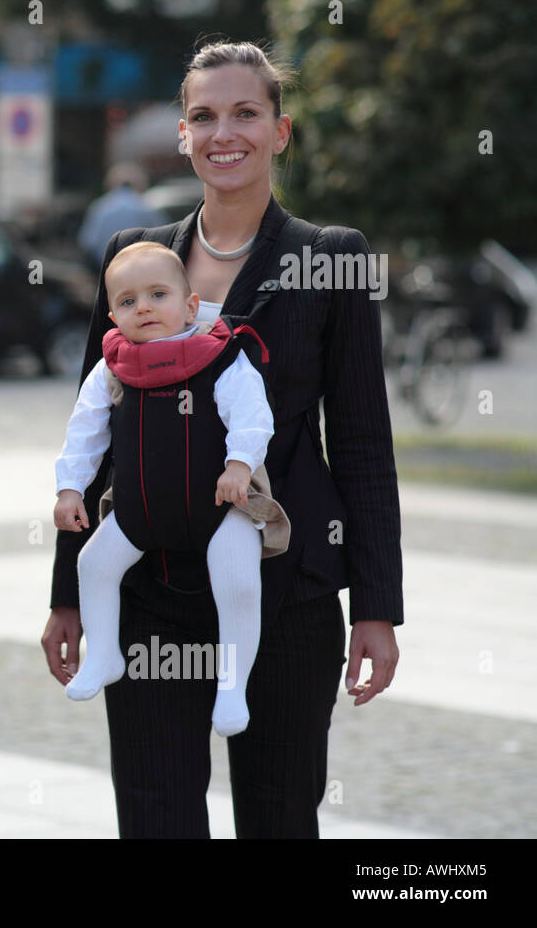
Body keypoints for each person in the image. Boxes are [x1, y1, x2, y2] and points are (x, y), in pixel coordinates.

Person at [43, 41, 403, 838]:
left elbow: (363, 445)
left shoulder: (329, 259)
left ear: (280, 131)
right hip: (146, 597)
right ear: (182, 133)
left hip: (285, 594)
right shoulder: (133, 259)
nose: (223, 133)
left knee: (278, 819)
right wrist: (70, 590)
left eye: (246, 113)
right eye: (204, 116)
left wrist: (378, 605)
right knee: (156, 819)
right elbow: (92, 428)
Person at [53, 241, 287, 737]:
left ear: (190, 306)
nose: (144, 307)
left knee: (239, 581)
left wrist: (239, 465)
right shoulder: (112, 368)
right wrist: (70, 489)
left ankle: (232, 684)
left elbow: (252, 415)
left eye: (158, 294)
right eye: (128, 301)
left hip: (223, 506)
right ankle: (106, 657)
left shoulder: (221, 357)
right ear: (112, 315)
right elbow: (85, 430)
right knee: (93, 564)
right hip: (141, 509)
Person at [77, 163, 164, 273]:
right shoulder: (146, 206)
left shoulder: (100, 207)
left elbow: (88, 243)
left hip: (108, 270)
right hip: (141, 270)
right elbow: (163, 239)